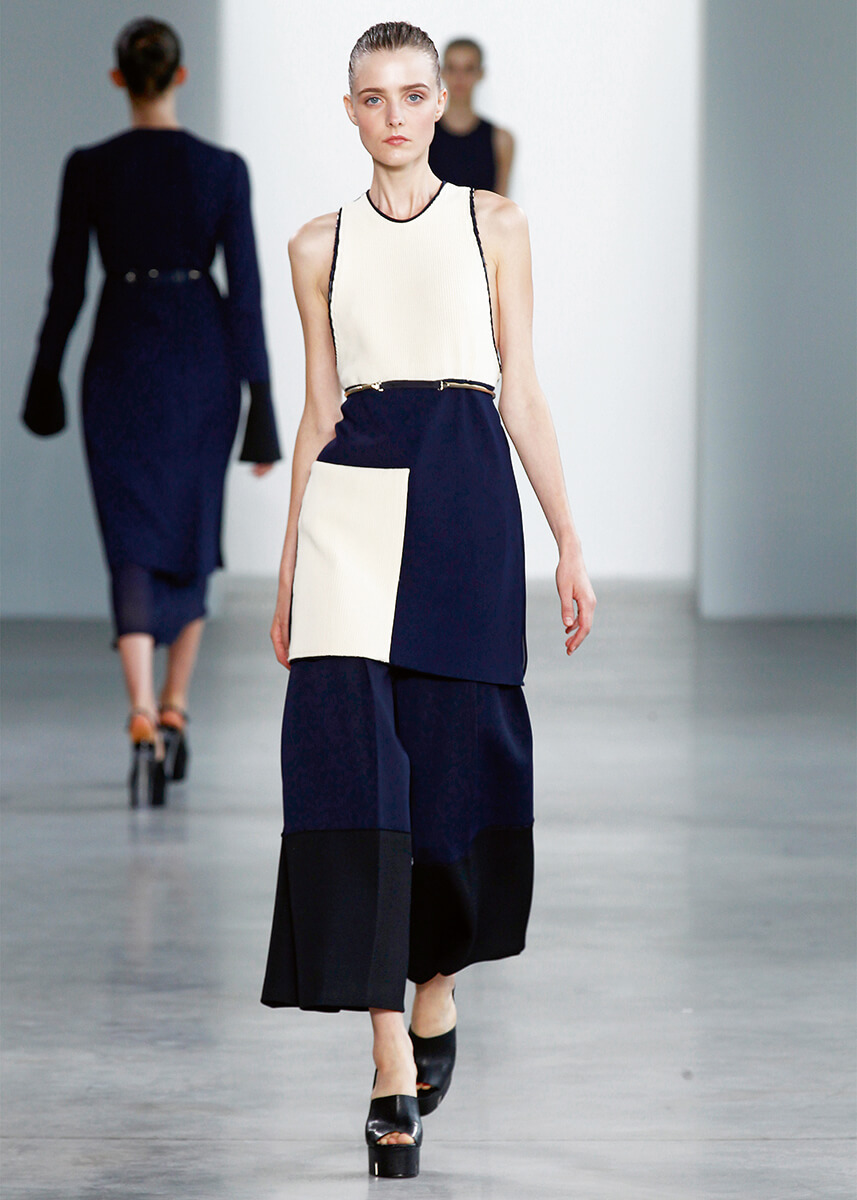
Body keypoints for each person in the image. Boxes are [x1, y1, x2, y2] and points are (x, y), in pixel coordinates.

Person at [261, 21, 595, 1180]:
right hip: (350, 516)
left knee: (454, 785)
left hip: (460, 507)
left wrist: (566, 539)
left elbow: (521, 391)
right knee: (353, 784)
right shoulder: (315, 244)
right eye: (375, 97)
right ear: (348, 109)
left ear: (438, 101)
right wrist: (289, 567)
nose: (396, 114)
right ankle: (386, 1060)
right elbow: (316, 410)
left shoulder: (493, 223)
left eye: (413, 94)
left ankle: (435, 987)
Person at [22, 18, 280, 807]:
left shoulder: (90, 167)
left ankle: (139, 712)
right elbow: (246, 293)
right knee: (192, 533)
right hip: (202, 360)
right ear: (180, 76)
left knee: (131, 537)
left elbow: (67, 284)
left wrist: (44, 373)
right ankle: (174, 706)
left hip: (122, 357)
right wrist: (263, 403)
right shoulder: (222, 169)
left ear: (118, 79)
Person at [428, 37, 514, 194]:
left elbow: (501, 202)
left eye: (468, 69)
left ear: (480, 73)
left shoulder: (500, 140)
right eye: (453, 68)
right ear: (442, 72)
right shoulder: (425, 134)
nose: (459, 77)